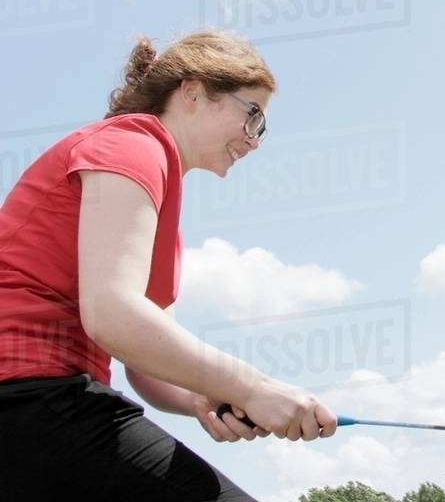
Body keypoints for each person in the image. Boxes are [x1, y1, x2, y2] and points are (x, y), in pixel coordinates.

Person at [0, 31, 338, 501]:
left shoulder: (156, 208)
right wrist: (254, 386)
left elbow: (143, 359)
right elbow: (113, 314)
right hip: (27, 397)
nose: (255, 140)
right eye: (253, 115)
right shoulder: (131, 145)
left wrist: (203, 396)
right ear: (194, 92)